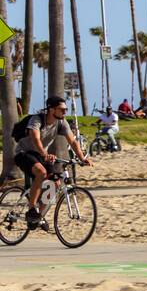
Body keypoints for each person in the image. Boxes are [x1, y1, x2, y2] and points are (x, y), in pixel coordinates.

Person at [14, 96, 93, 228]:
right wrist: (44, 153)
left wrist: (82, 158)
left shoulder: (61, 123)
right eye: (62, 109)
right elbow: (35, 138)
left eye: (66, 109)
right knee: (41, 172)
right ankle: (32, 209)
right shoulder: (37, 119)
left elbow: (73, 141)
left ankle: (39, 215)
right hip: (24, 153)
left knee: (55, 183)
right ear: (51, 109)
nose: (64, 112)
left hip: (41, 156)